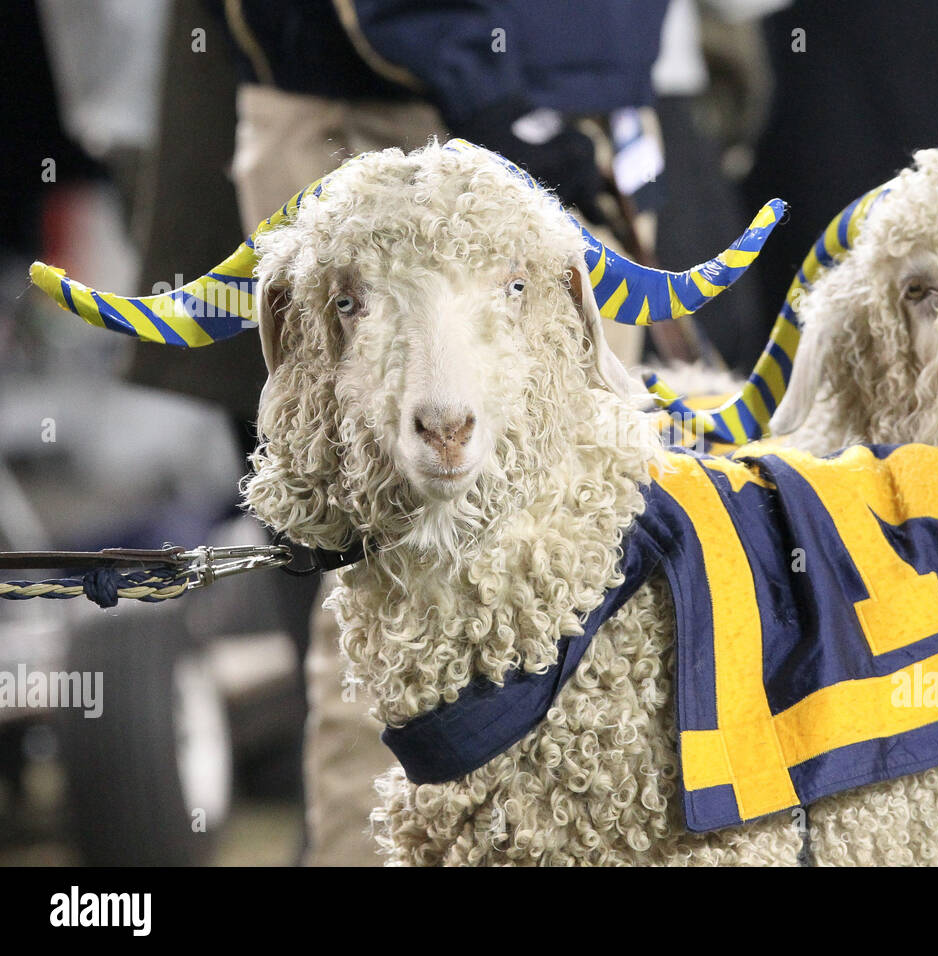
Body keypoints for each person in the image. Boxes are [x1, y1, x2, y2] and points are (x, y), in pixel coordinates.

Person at [205, 0, 671, 864]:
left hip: (578, 115)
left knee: (577, 529)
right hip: (405, 117)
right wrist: (492, 96)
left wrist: (616, 93)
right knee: (391, 556)